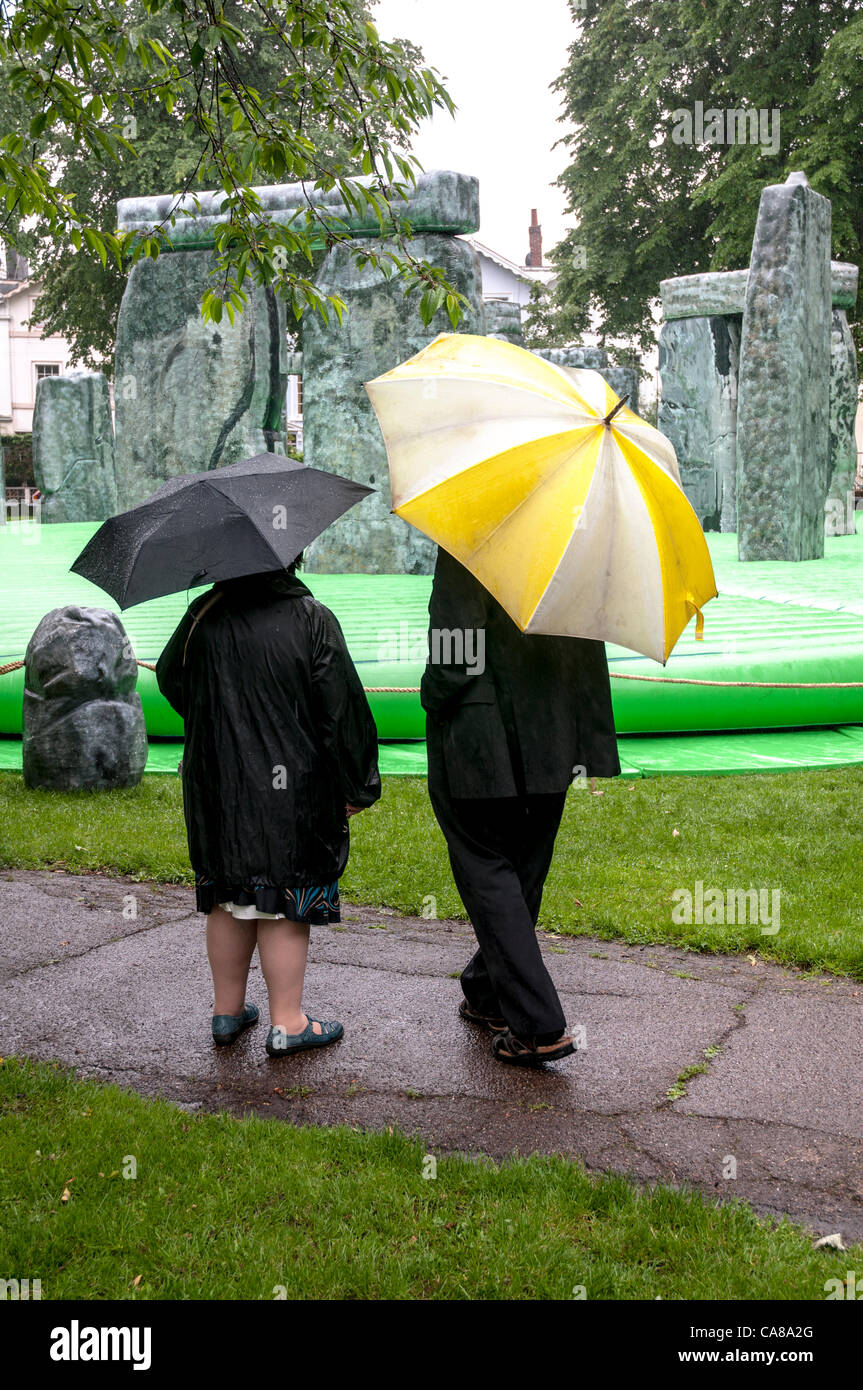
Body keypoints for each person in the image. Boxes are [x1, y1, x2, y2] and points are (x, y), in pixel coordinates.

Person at [156, 556, 380, 1058]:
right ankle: (288, 1022)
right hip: (292, 788)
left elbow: (172, 681)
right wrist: (357, 784)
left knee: (228, 890)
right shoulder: (310, 618)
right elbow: (341, 710)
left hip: (217, 783)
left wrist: (219, 722)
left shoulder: (202, 616)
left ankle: (227, 1012)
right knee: (284, 894)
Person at [421, 546, 619, 1067]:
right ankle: (488, 993)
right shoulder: (579, 532)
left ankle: (537, 1025)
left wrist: (429, 695)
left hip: (478, 734)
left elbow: (455, 650)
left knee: (485, 864)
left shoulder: (472, 534)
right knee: (523, 865)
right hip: (558, 726)